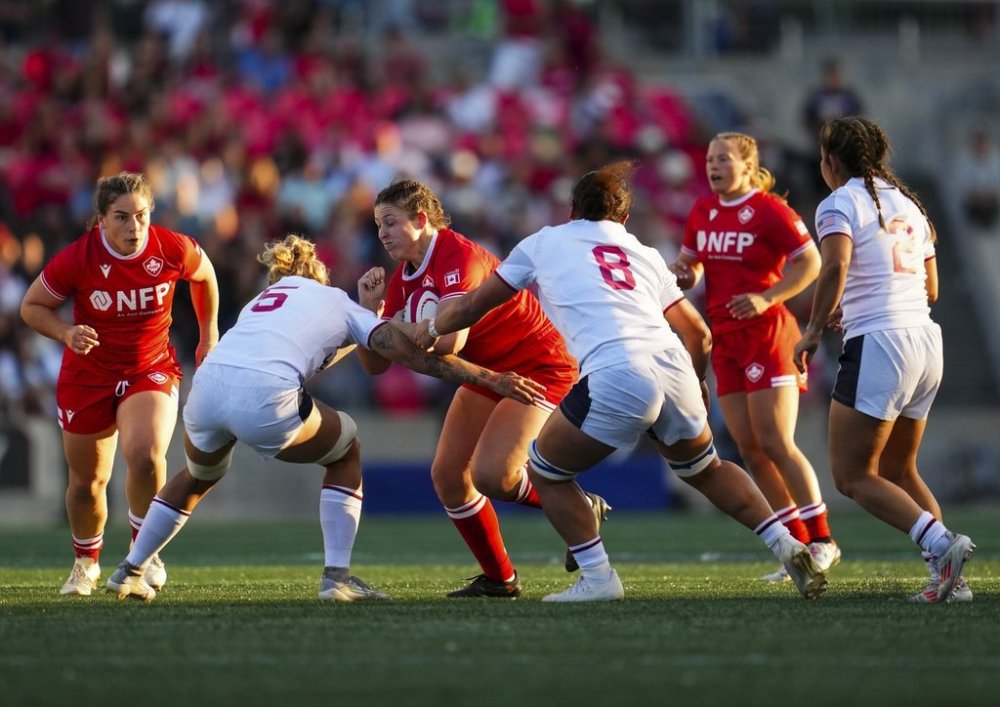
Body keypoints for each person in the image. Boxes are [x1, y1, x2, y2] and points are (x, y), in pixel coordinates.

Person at [415, 161, 828, 602]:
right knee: (707, 469)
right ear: (624, 219)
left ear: (572, 209)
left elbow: (471, 307)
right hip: (673, 367)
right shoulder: (644, 253)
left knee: (545, 472)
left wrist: (432, 328)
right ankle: (788, 545)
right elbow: (698, 333)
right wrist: (698, 382)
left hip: (617, 371)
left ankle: (598, 578)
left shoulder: (544, 242)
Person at [106, 234, 545, 602]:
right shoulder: (334, 300)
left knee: (197, 478)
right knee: (346, 449)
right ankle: (337, 578)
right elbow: (411, 355)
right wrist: (492, 378)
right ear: (319, 274)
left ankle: (131, 568)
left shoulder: (262, 301)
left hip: (206, 391)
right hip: (262, 395)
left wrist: (367, 314)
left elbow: (323, 348)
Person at [358, 179, 608, 599]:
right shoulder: (403, 276)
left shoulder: (460, 257)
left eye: (390, 222)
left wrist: (391, 323)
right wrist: (369, 313)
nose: (381, 233)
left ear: (421, 220)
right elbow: (376, 364)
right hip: (489, 370)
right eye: (378, 224)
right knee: (449, 478)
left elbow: (447, 343)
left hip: (538, 365)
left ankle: (580, 507)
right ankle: (500, 578)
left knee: (493, 476)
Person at [794, 116, 975, 603]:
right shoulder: (912, 204)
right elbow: (931, 288)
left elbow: (836, 264)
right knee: (899, 470)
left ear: (831, 161)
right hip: (924, 340)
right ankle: (949, 578)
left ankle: (942, 545)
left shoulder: (838, 202)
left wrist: (814, 328)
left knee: (852, 476)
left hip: (880, 342)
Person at [19, 171, 220, 597]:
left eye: (142, 216)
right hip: (88, 374)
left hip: (149, 368)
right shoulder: (77, 258)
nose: (134, 227)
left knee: (146, 457)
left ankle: (143, 554)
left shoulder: (171, 247)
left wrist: (208, 335)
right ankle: (85, 563)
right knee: (87, 481)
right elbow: (32, 306)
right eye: (122, 218)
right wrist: (66, 333)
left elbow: (205, 276)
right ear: (101, 220)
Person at [669, 132, 840, 582]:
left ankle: (823, 540)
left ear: (747, 166)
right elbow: (693, 266)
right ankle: (795, 547)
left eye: (724, 158)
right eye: (709, 158)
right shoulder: (702, 211)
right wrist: (684, 273)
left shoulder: (770, 210)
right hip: (724, 339)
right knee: (749, 450)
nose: (714, 165)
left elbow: (811, 263)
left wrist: (769, 298)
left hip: (768, 335)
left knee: (776, 443)